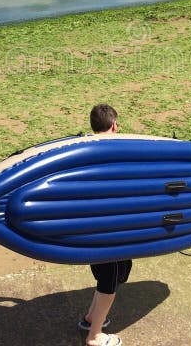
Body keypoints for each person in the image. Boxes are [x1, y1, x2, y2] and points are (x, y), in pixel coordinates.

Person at [79, 104, 129, 346]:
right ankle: (95, 336)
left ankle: (91, 318)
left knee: (115, 272)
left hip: (90, 227)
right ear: (114, 125)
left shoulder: (81, 148)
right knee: (110, 277)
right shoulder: (118, 149)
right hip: (109, 228)